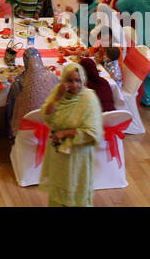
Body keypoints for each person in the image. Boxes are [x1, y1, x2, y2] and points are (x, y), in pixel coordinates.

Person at [39, 62, 104, 207]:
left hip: (78, 155)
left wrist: (64, 133)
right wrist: (57, 98)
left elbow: (92, 132)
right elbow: (47, 116)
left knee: (76, 194)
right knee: (57, 194)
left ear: (83, 81)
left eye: (78, 81)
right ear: (63, 81)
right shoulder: (59, 92)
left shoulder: (88, 99)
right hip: (59, 155)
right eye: (70, 80)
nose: (74, 85)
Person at [5, 48, 59, 139]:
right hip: (49, 123)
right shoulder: (52, 77)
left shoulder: (19, 83)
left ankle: (10, 135)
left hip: (25, 127)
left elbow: (10, 105)